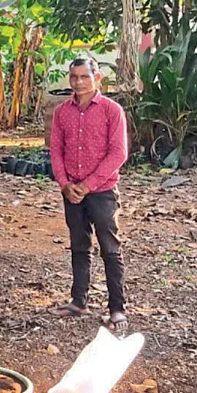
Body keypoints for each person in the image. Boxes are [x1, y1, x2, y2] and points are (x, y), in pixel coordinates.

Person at [49, 57, 129, 331]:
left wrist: (89, 184)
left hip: (102, 191)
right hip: (71, 191)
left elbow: (118, 153)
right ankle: (78, 300)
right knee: (79, 245)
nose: (79, 82)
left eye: (84, 77)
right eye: (74, 77)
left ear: (97, 79)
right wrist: (64, 183)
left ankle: (117, 307)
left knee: (110, 248)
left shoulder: (111, 110)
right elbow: (56, 151)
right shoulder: (62, 112)